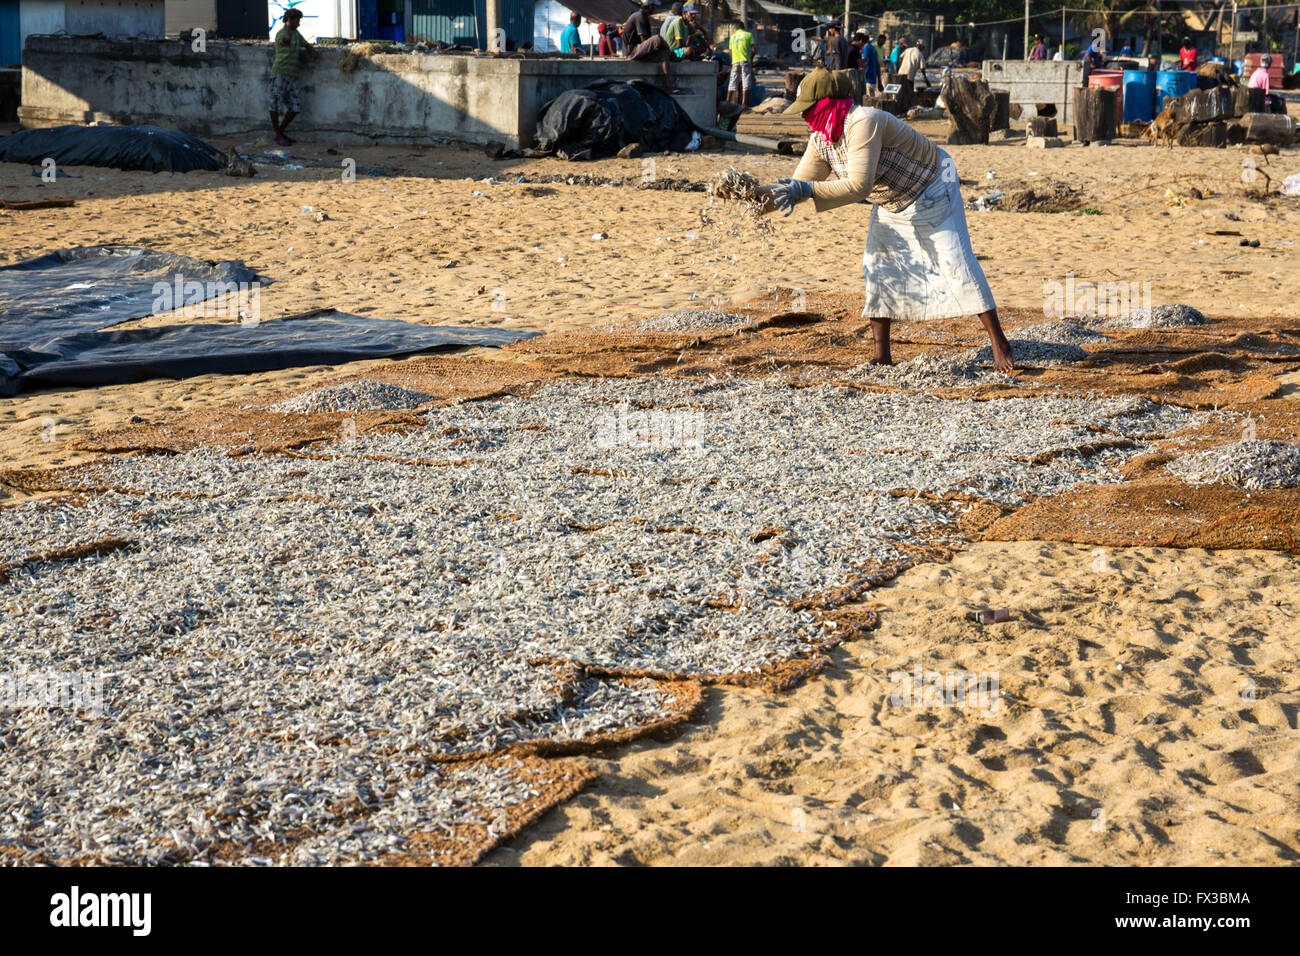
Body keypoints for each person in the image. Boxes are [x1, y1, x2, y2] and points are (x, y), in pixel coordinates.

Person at [753, 69, 1014, 371]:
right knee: (878, 268)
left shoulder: (863, 121)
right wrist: (750, 195)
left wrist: (807, 190)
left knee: (955, 262)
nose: (805, 117)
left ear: (827, 104)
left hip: (932, 185)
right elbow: (794, 188)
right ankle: (882, 355)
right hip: (891, 200)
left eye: (809, 110)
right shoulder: (821, 139)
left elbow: (858, 186)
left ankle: (999, 342)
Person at [269, 8, 317, 147]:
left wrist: (311, 50)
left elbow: (305, 43)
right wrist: (288, 26)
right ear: (291, 20)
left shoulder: (296, 33)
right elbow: (286, 39)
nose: (299, 23)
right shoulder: (282, 33)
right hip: (280, 73)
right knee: (275, 104)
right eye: (297, 20)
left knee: (295, 107)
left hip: (291, 75)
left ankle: (280, 132)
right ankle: (278, 134)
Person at [728, 19, 756, 108]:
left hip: (735, 61)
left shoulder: (732, 37)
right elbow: (753, 50)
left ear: (736, 28)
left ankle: (728, 102)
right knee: (746, 80)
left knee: (733, 81)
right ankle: (744, 103)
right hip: (745, 60)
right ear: (743, 27)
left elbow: (730, 51)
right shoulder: (748, 35)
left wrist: (733, 60)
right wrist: (750, 59)